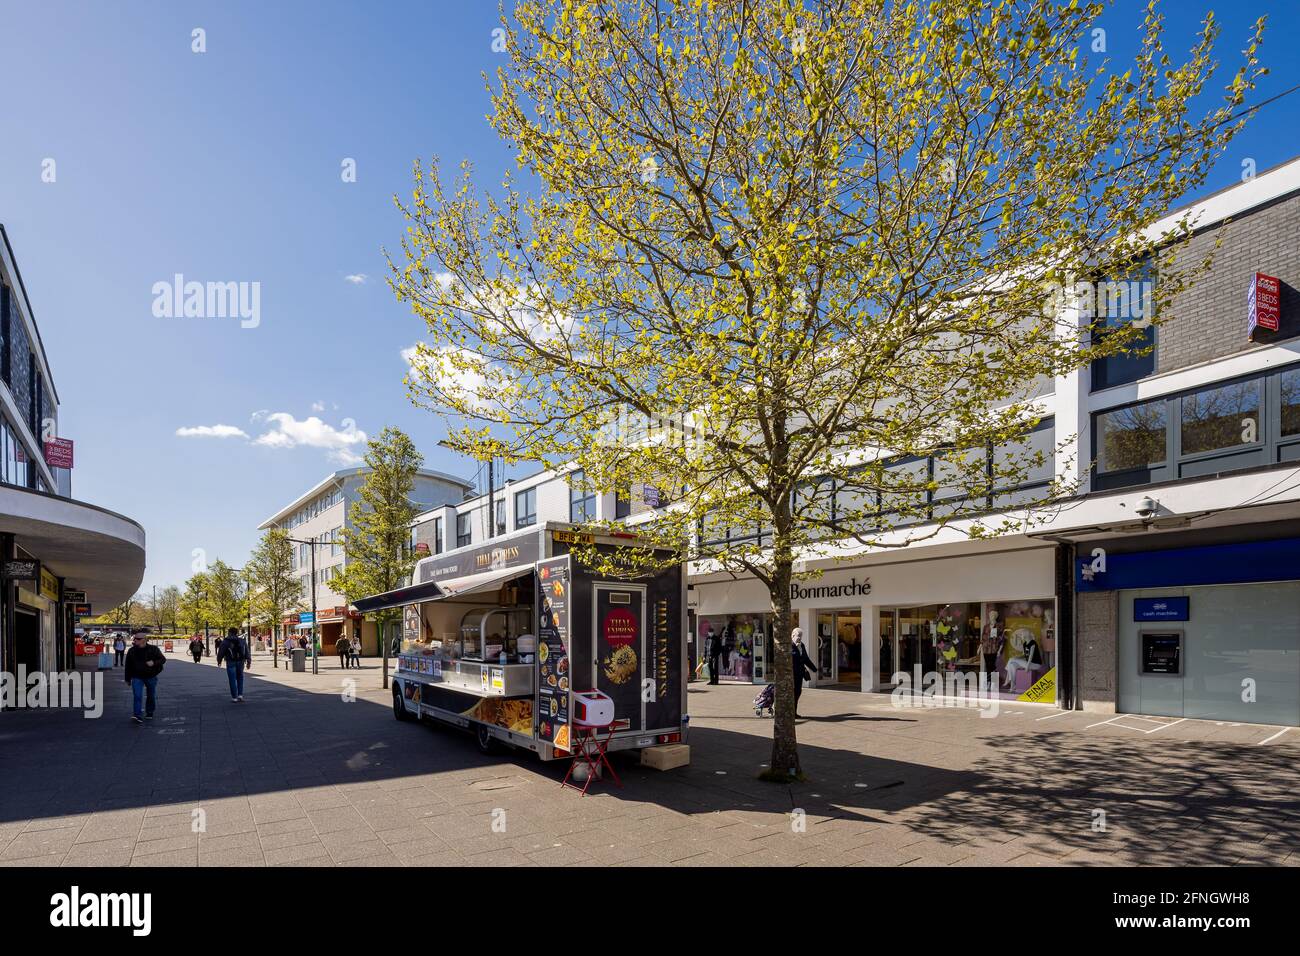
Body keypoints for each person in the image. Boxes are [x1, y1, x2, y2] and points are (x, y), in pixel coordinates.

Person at [123, 630, 165, 724]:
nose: (135, 640)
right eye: (135, 638)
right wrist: (127, 679)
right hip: (136, 676)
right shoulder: (132, 650)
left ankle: (149, 712)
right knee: (137, 696)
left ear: (144, 640)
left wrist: (153, 662)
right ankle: (137, 715)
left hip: (151, 676)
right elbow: (128, 665)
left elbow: (162, 659)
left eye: (138, 639)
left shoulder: (153, 649)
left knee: (151, 695)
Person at [216, 626, 248, 702]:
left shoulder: (226, 641)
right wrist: (248, 660)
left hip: (230, 661)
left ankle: (234, 697)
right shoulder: (241, 640)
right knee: (240, 678)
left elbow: (221, 652)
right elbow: (246, 651)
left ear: (229, 632)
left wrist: (219, 661)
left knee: (232, 679)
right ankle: (240, 695)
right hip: (240, 661)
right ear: (236, 633)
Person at [791, 627, 815, 718]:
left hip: (799, 673)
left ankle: (794, 712)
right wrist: (796, 648)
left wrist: (814, 669)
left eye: (801, 636)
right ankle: (790, 712)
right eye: (798, 636)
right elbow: (791, 657)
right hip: (791, 673)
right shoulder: (789, 645)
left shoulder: (802, 645)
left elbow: (806, 659)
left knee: (797, 692)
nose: (799, 638)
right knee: (792, 693)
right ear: (792, 635)